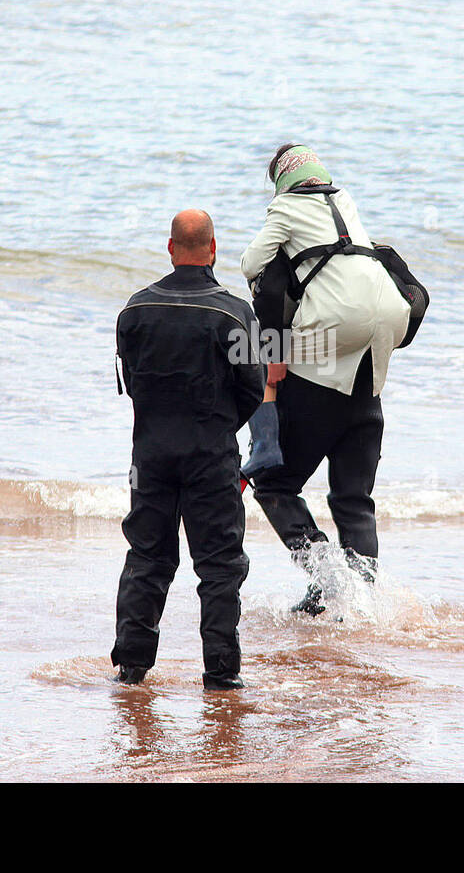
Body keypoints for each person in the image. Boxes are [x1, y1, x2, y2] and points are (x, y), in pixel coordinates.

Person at [240, 144, 410, 616]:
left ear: (282, 178)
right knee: (354, 498)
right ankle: (361, 605)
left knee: (274, 485)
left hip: (324, 366)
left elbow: (252, 262)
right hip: (374, 358)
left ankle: (328, 579)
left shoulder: (286, 205)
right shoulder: (347, 203)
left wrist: (271, 351)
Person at [111, 210, 265, 690]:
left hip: (151, 453)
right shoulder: (235, 313)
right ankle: (221, 674)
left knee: (147, 557)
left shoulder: (134, 311)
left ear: (171, 248)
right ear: (213, 249)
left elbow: (133, 384)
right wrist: (217, 429)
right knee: (219, 566)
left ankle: (132, 668)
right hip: (211, 454)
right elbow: (253, 390)